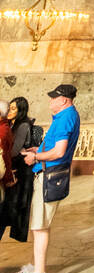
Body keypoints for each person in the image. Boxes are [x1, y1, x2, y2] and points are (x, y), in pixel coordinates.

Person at [9, 84, 81, 273]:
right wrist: (37, 149)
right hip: (48, 173)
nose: (50, 102)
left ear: (64, 100)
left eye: (53, 99)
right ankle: (34, 267)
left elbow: (59, 151)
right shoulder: (65, 115)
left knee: (40, 227)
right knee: (40, 224)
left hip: (50, 175)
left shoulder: (67, 117)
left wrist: (36, 157)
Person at [0, 97, 38, 244]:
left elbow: (14, 151)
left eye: (13, 109)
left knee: (10, 211)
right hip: (9, 171)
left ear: (20, 111)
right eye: (9, 107)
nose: (9, 111)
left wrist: (8, 171)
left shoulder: (22, 126)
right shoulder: (8, 125)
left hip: (18, 175)